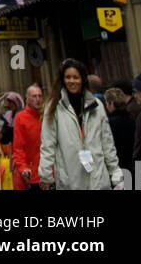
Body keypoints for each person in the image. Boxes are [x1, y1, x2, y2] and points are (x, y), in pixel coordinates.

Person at [39, 58, 123, 191]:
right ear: (62, 80)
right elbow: (47, 143)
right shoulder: (54, 107)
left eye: (76, 77)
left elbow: (107, 142)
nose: (72, 81)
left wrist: (115, 173)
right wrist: (45, 175)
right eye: (68, 77)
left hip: (98, 178)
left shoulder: (97, 105)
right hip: (70, 179)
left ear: (82, 79)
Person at [12, 83, 43, 189]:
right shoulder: (20, 118)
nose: (38, 99)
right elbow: (18, 147)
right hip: (32, 173)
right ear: (27, 98)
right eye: (34, 96)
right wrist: (22, 167)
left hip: (50, 172)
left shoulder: (46, 115)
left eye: (40, 96)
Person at [103, 87, 135, 171]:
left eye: (106, 102)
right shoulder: (133, 120)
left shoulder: (108, 124)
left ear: (111, 103)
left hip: (119, 167)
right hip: (135, 166)